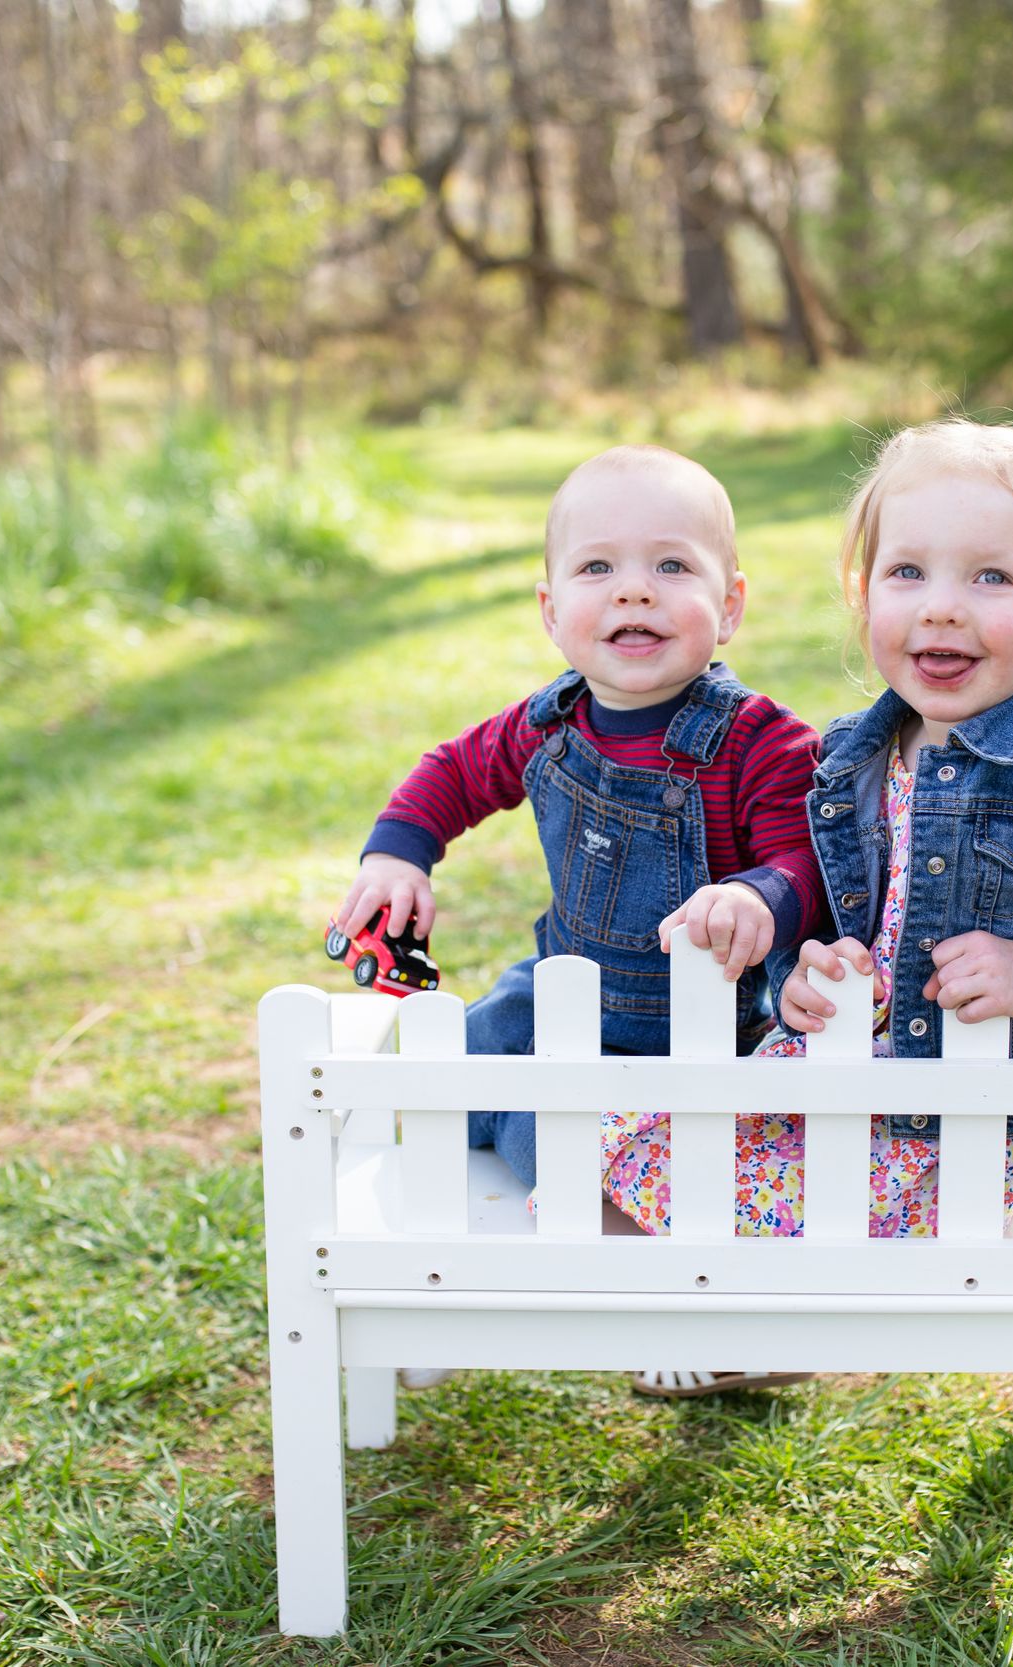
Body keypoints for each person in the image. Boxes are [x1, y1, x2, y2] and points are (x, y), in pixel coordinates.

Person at [612, 417, 1013, 1399]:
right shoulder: (849, 758)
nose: (942, 610)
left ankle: (774, 1316)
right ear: (863, 592)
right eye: (906, 572)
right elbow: (831, 916)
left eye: (991, 578)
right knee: (617, 1157)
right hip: (831, 1078)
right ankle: (747, 1312)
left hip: (961, 1125)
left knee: (750, 1201)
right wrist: (801, 979)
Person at [335, 443, 825, 1190]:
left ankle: (536, 1128)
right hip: (556, 987)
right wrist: (398, 853)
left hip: (686, 1034)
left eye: (672, 566)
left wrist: (759, 894)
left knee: (561, 1152)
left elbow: (806, 858)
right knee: (444, 1076)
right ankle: (501, 1104)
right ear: (552, 612)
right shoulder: (548, 724)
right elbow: (455, 771)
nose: (634, 592)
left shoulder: (762, 742)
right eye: (598, 568)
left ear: (729, 606)